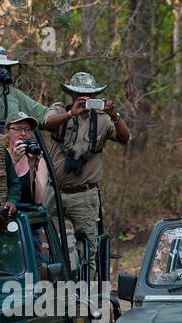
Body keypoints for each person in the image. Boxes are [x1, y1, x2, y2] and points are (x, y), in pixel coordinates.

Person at [42, 72, 130, 253]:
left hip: (84, 194)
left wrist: (115, 116)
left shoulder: (103, 119)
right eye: (80, 94)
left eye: (90, 95)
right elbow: (46, 122)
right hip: (54, 192)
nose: (85, 98)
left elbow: (125, 137)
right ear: (71, 94)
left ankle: (88, 282)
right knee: (47, 244)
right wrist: (70, 113)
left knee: (88, 249)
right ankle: (52, 280)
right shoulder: (59, 110)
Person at [5, 111, 48, 206]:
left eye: (27, 129)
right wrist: (13, 162)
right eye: (18, 129)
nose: (23, 133)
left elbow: (38, 200)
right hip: (3, 211)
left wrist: (32, 167)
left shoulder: (38, 159)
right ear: (7, 131)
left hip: (29, 213)